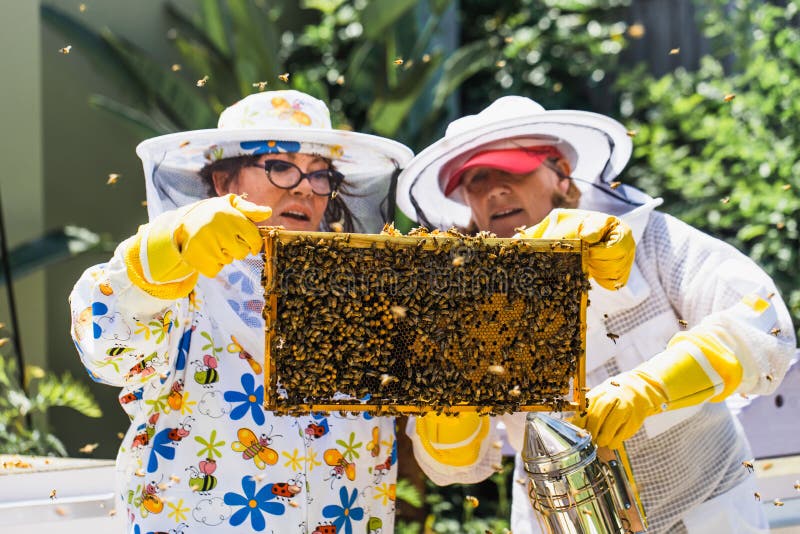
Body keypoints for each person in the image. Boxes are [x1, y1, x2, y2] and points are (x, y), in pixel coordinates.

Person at [395, 96, 797, 533]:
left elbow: (761, 321)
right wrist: (452, 395)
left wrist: (651, 388)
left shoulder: (649, 240)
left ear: (562, 177)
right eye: (475, 180)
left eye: (513, 168)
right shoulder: (465, 302)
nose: (494, 189)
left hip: (708, 513)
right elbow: (450, 466)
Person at [70, 90, 413, 533]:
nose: (307, 187)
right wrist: (162, 251)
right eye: (281, 167)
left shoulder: (365, 300)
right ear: (223, 182)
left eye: (320, 174)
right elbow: (106, 343)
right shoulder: (179, 287)